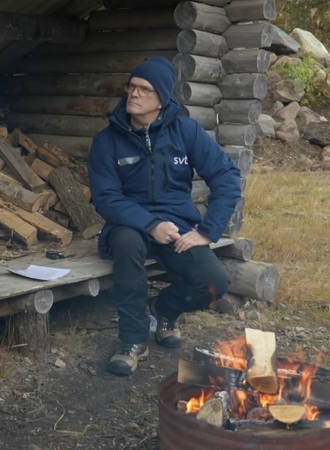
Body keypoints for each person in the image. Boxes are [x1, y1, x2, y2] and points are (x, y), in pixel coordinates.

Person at [88, 57, 242, 377]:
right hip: (129, 223)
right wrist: (149, 224)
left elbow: (226, 177)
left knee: (215, 282)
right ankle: (133, 341)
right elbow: (106, 198)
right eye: (132, 87)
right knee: (128, 244)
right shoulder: (108, 140)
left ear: (162, 98)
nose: (134, 94)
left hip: (178, 225)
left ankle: (164, 311)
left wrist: (207, 231)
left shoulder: (185, 131)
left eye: (145, 89)